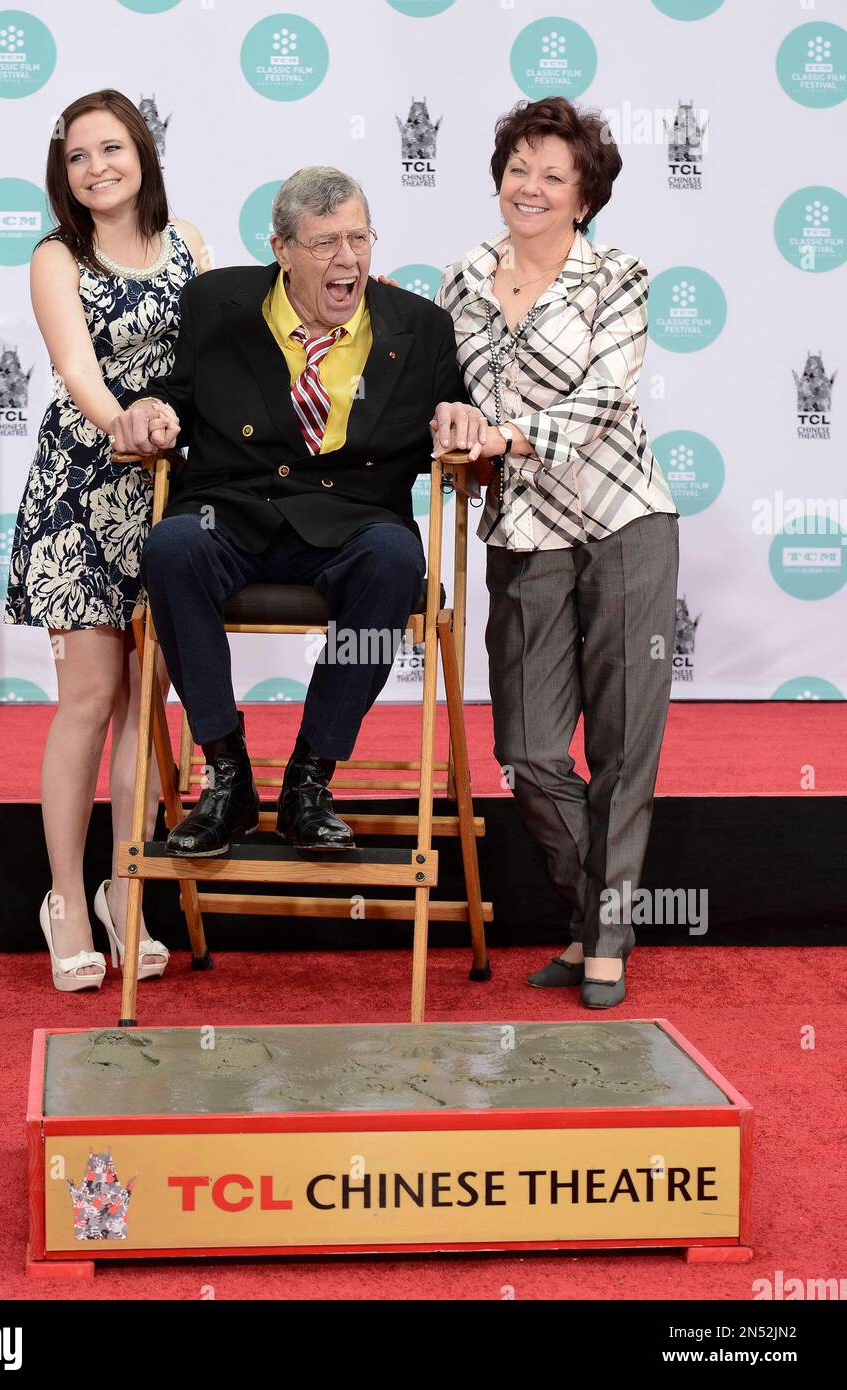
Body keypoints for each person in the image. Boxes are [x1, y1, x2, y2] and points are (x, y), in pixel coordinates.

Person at [111, 166, 463, 857]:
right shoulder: (217, 303)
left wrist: (463, 425)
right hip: (233, 510)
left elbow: (453, 415)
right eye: (325, 242)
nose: (348, 259)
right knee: (172, 546)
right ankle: (227, 773)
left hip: (354, 519)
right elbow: (175, 394)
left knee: (396, 558)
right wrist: (154, 411)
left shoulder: (420, 327)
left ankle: (310, 779)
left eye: (359, 239)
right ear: (282, 249)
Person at [432, 97, 679, 1009]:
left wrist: (497, 434)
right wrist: (457, 428)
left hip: (624, 522)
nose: (528, 188)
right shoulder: (461, 278)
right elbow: (446, 393)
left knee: (622, 745)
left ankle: (601, 939)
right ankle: (599, 912)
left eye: (552, 174)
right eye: (517, 169)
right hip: (524, 533)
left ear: (584, 196)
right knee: (530, 751)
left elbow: (605, 400)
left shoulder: (617, 274)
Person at [4, 89, 209, 991]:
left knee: (147, 703)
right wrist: (126, 420)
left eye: (112, 149)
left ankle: (123, 894)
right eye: (79, 155)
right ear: (65, 172)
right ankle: (60, 898)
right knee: (89, 697)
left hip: (169, 496)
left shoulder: (192, 244)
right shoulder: (58, 255)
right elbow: (76, 369)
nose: (97, 168)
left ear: (143, 153)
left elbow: (218, 354)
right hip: (84, 492)